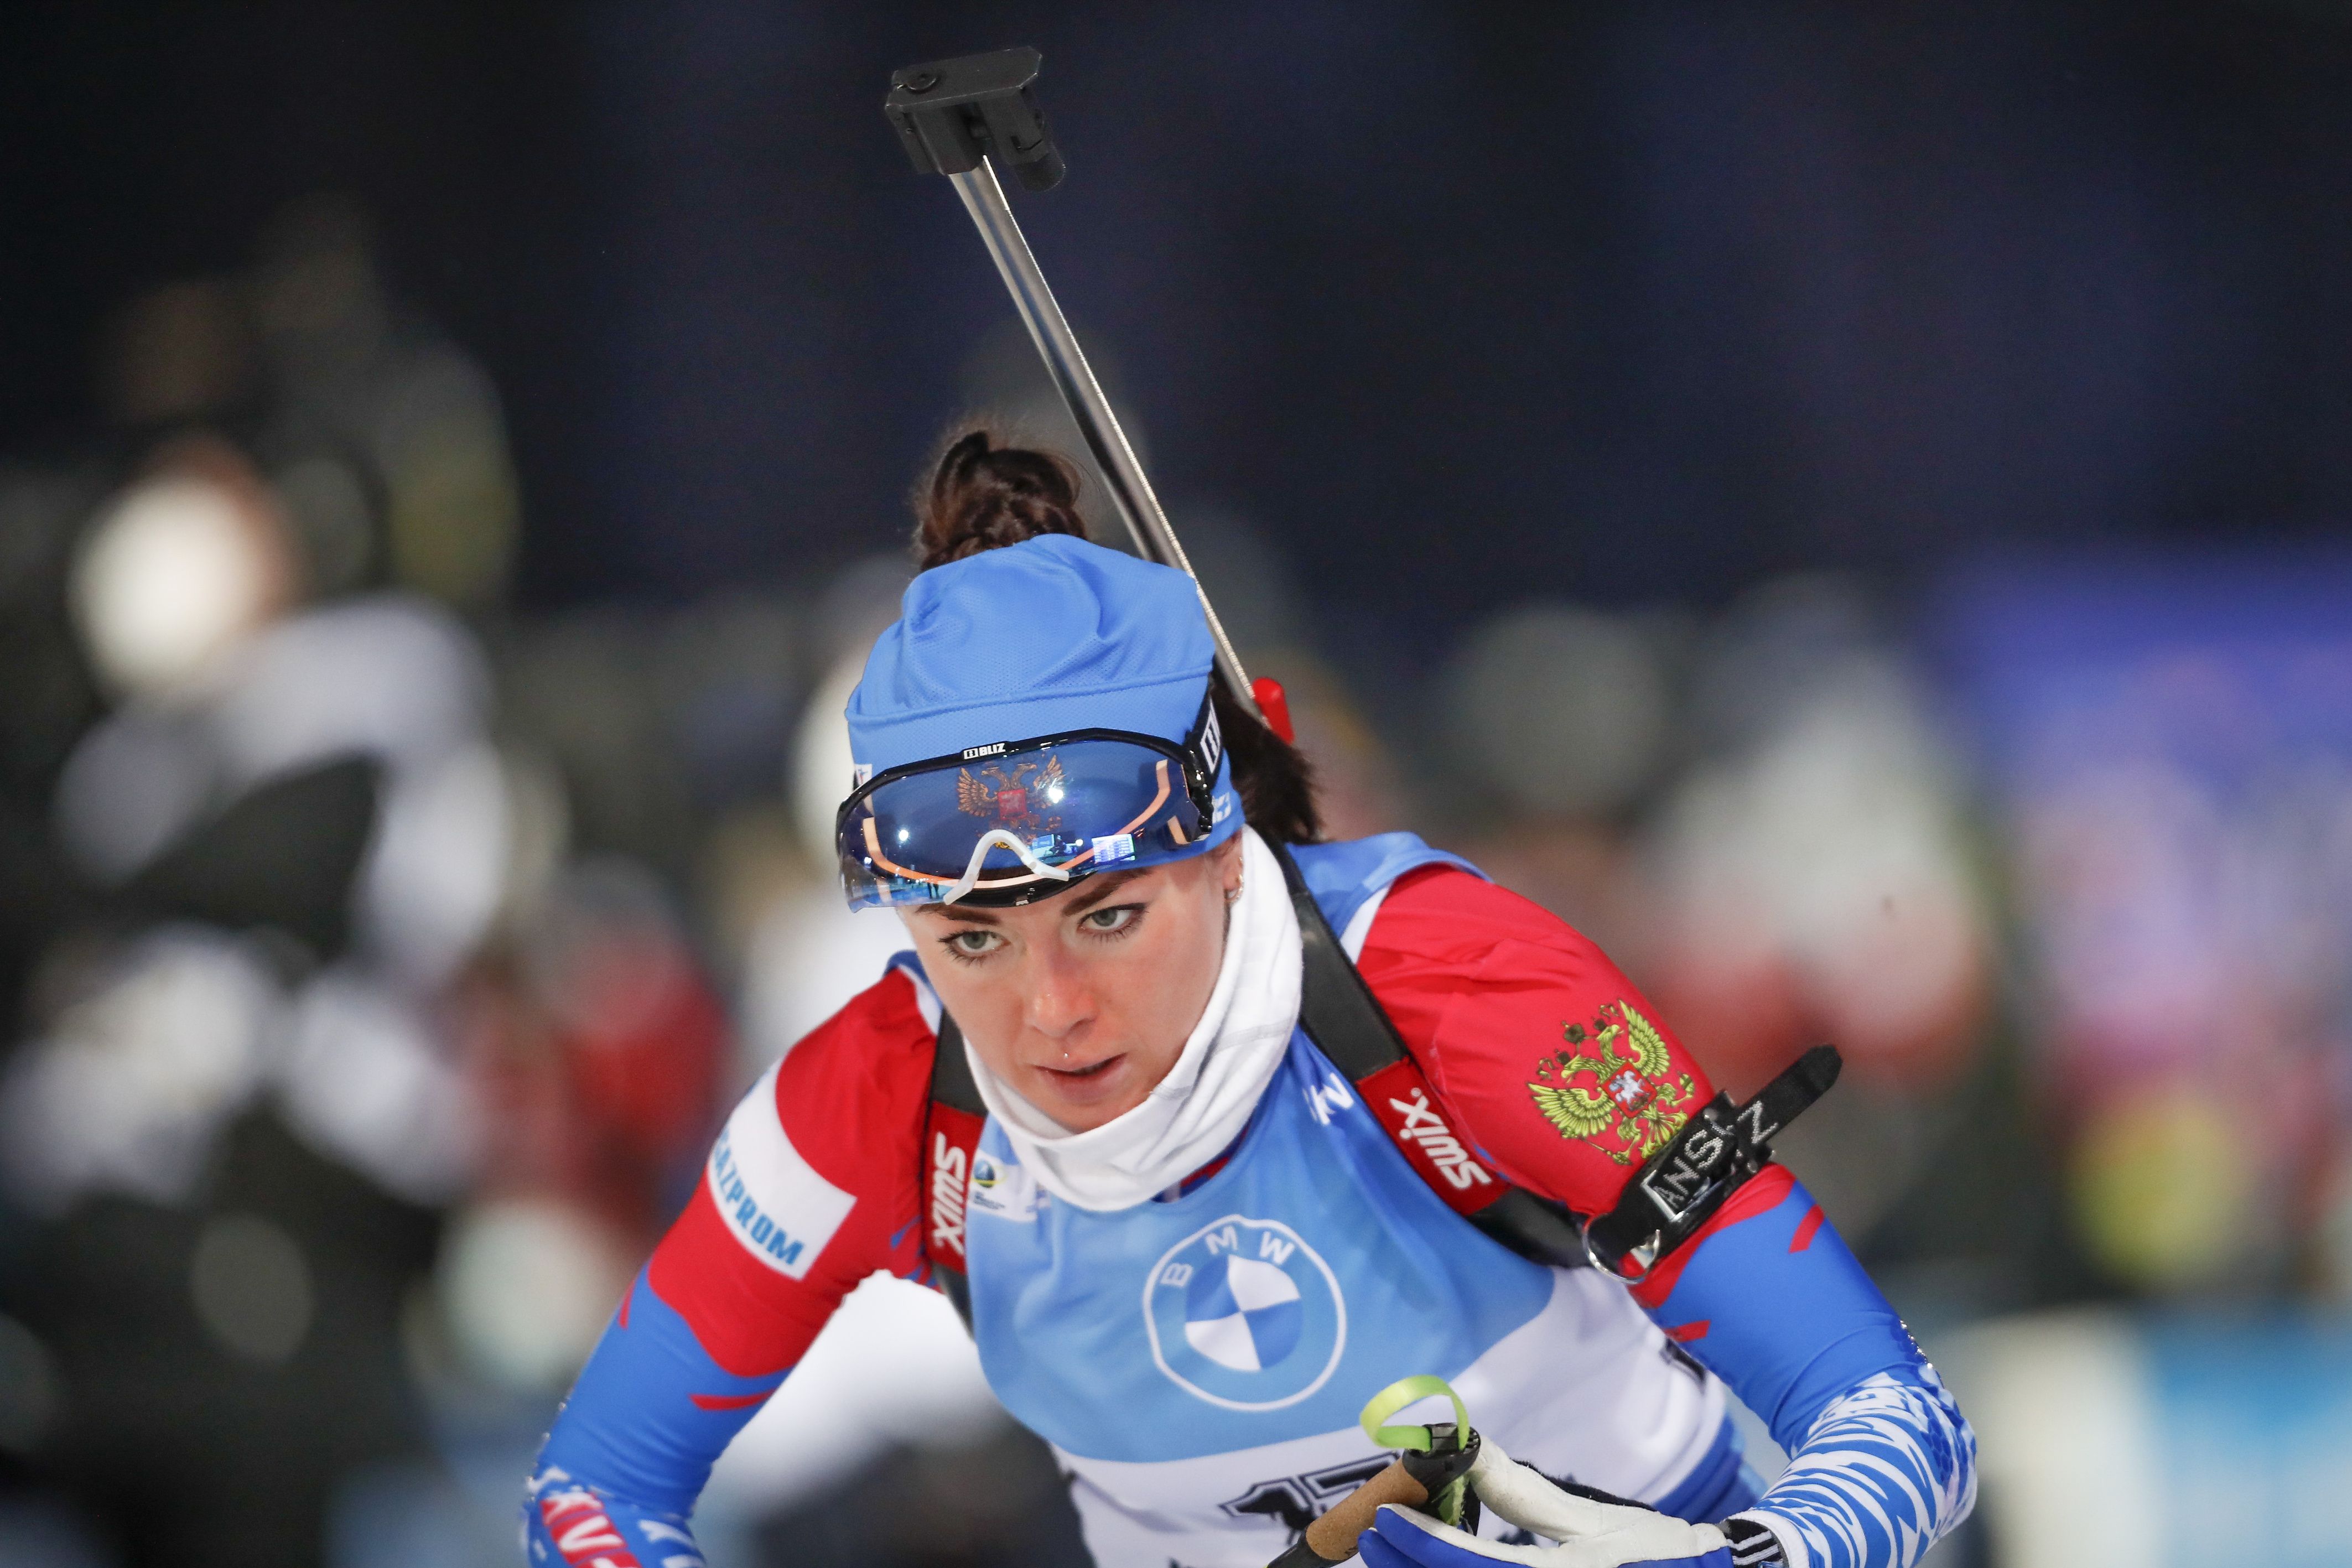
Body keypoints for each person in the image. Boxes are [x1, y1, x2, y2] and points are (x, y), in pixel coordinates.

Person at [521, 433, 1975, 1568]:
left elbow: (1896, 1416)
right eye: (970, 938)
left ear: (1225, 851)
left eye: (1107, 917)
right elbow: (592, 1490)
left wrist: (1760, 1556)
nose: (1049, 1009)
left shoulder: (1457, 985)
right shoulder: (875, 1095)